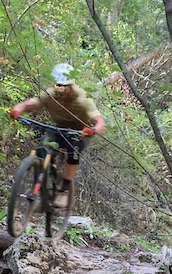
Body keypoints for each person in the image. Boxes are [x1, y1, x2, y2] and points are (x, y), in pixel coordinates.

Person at [10, 63, 106, 208]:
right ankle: (39, 185)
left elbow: (99, 122)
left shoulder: (82, 99)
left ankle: (63, 192)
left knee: (73, 152)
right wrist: (20, 107)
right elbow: (35, 102)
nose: (60, 90)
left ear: (71, 86)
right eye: (58, 85)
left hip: (79, 132)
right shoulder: (50, 95)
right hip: (59, 129)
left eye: (63, 86)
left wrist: (93, 129)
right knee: (43, 148)